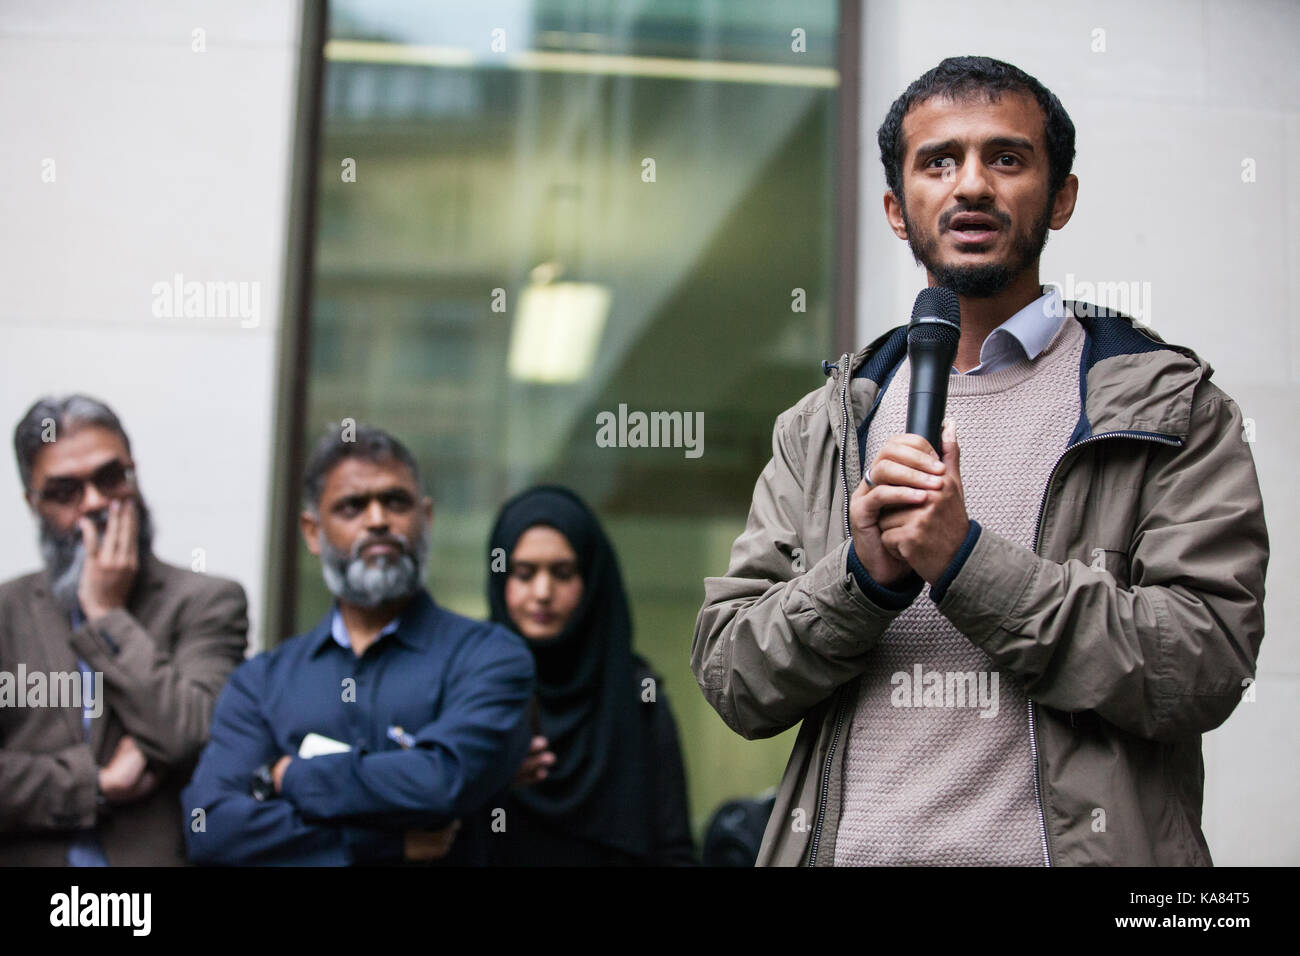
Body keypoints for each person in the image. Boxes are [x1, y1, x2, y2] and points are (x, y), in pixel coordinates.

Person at [692, 56, 1268, 866]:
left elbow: (1202, 665)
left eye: (1006, 158)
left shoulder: (1168, 410)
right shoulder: (822, 426)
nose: (970, 186)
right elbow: (733, 675)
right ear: (897, 209)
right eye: (939, 162)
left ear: (1061, 197)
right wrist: (860, 580)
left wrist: (966, 564)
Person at [182, 424, 534, 865]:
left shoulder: (489, 658)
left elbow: (440, 783)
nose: (377, 520)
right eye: (352, 506)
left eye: (395, 502)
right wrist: (380, 846)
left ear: (426, 518)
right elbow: (211, 828)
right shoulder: (263, 683)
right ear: (313, 532)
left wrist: (292, 778)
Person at [0, 395, 248, 865]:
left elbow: (192, 735)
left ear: (133, 473)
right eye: (64, 491)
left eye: (111, 478)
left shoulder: (207, 602)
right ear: (34, 505)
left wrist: (105, 612)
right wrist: (93, 785)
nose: (95, 504)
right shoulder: (6, 613)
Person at [486, 485, 695, 865]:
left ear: (592, 579)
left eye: (563, 573)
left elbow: (673, 850)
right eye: (524, 573)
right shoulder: (469, 688)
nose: (543, 592)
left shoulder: (637, 697)